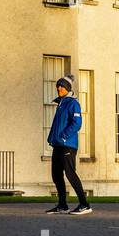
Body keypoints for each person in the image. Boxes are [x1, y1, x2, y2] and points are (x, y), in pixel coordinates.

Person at [45, 76, 90, 215]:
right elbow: (58, 124)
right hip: (58, 145)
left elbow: (77, 123)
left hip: (68, 145)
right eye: (58, 86)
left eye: (62, 86)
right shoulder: (61, 104)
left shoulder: (73, 104)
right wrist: (52, 138)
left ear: (68, 89)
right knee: (56, 175)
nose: (59, 88)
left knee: (70, 174)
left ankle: (85, 204)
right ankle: (62, 205)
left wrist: (64, 135)